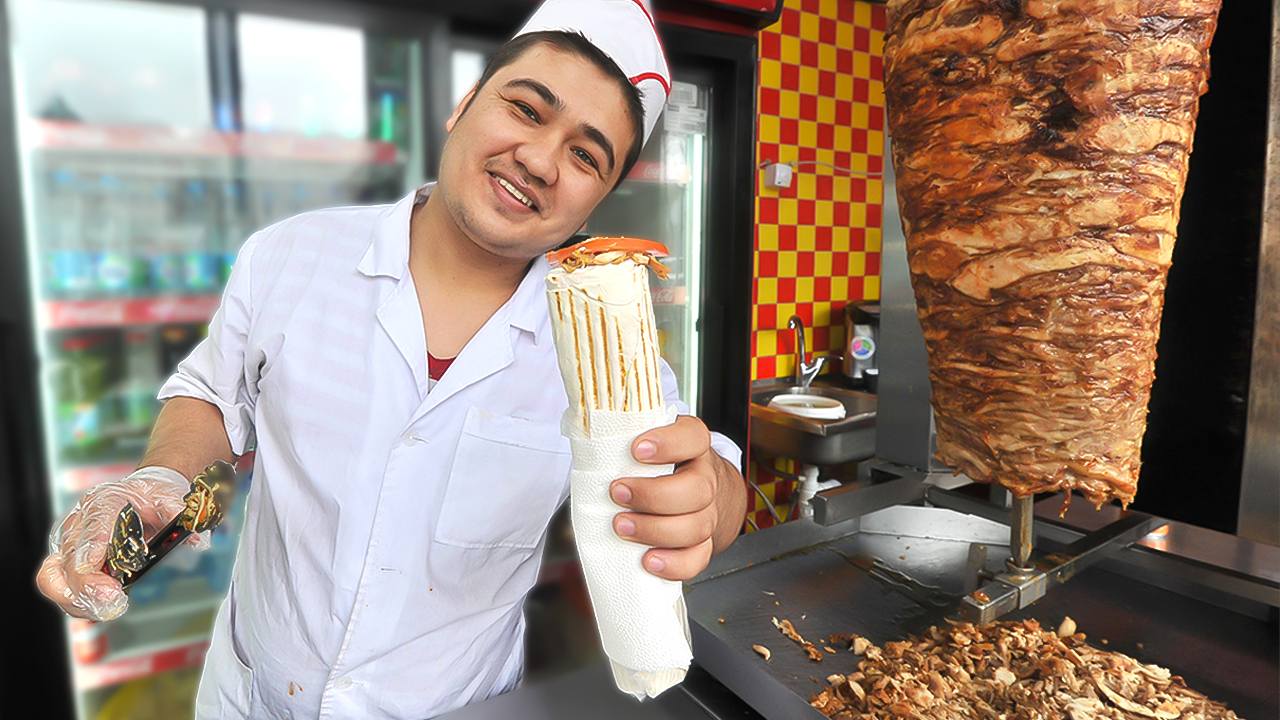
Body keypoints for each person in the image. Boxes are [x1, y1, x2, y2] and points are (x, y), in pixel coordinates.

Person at [35, 1, 748, 717]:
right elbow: (213, 396)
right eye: (526, 110)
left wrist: (709, 498)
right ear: (463, 105)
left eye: (586, 156)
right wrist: (162, 478)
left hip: (457, 706)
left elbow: (706, 474)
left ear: (593, 208)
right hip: (251, 697)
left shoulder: (595, 346)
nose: (538, 160)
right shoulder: (290, 254)